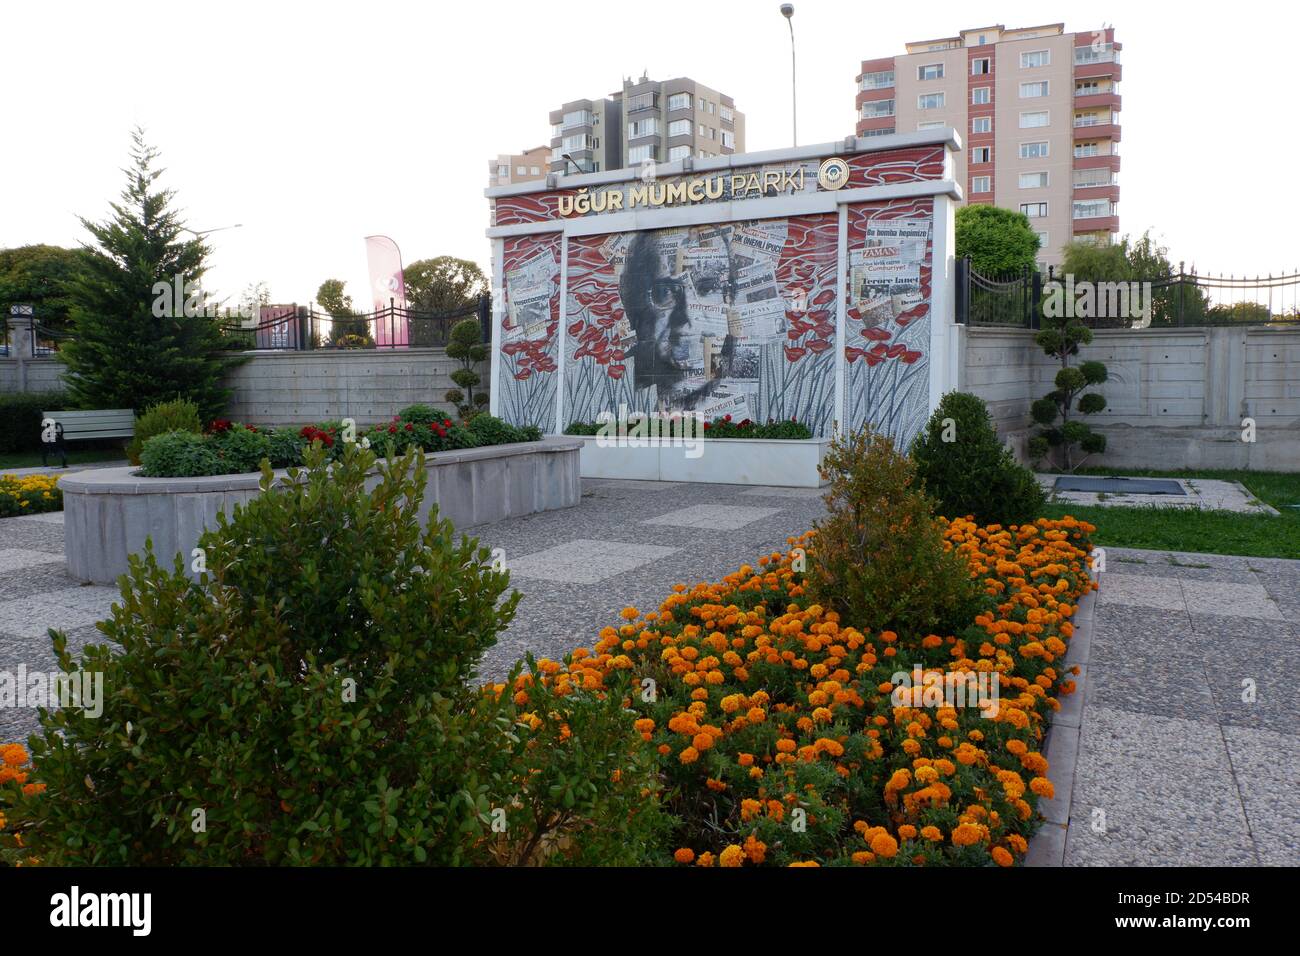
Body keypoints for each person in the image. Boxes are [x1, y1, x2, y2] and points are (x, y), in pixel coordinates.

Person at [620, 229, 737, 410]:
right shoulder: (623, 392)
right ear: (635, 301)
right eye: (665, 291)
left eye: (707, 289)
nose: (687, 321)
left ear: (730, 298)